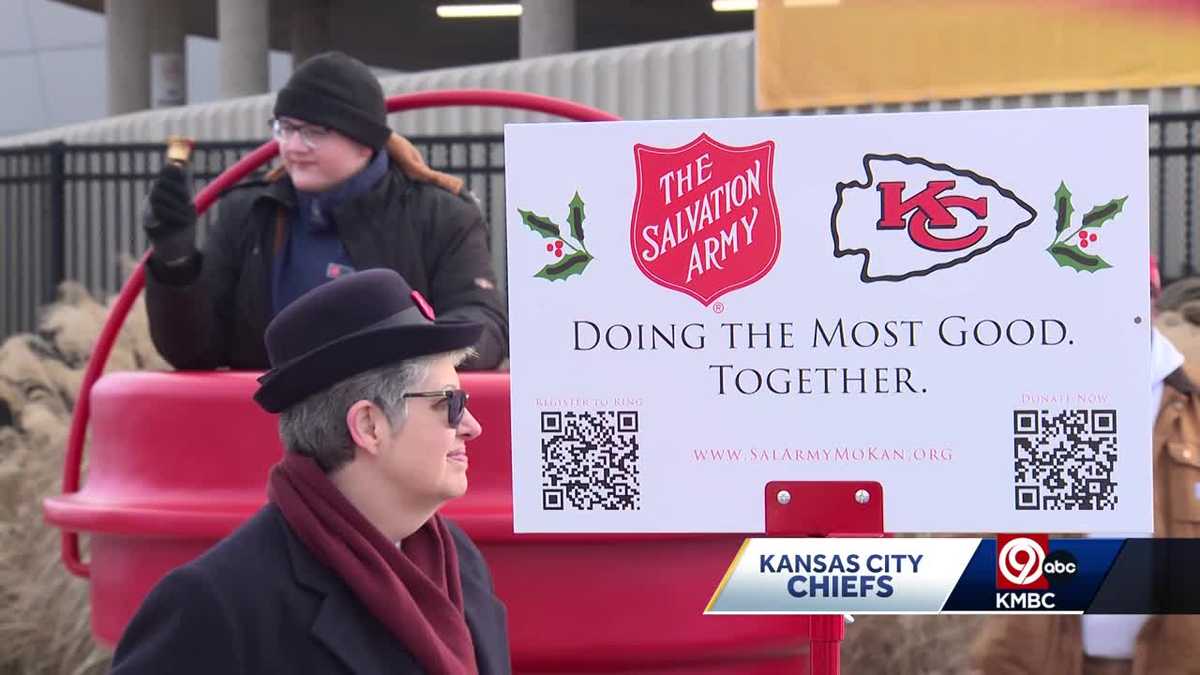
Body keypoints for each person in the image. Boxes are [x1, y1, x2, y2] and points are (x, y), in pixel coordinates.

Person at [109, 269, 512, 674]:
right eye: (450, 404)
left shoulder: (459, 562)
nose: (472, 426)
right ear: (369, 426)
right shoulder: (215, 608)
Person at [142, 51, 507, 372]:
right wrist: (175, 262)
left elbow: (482, 325)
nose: (293, 146)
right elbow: (194, 351)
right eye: (285, 128)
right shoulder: (250, 213)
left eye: (314, 132)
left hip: (393, 422)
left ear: (365, 142)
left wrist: (404, 355)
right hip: (261, 423)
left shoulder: (439, 215)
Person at [970, 257, 1200, 674]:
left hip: (1173, 660)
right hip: (1044, 658)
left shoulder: (1193, 404)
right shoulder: (1027, 394)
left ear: (1152, 300)